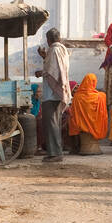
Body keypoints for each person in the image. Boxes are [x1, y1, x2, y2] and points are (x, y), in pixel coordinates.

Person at [36, 29, 71, 162]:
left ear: (49, 39)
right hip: (55, 93)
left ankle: (55, 153)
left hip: (51, 93)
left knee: (51, 124)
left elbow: (53, 71)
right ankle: (54, 152)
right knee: (53, 123)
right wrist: (44, 57)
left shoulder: (54, 50)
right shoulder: (62, 49)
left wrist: (42, 72)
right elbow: (56, 67)